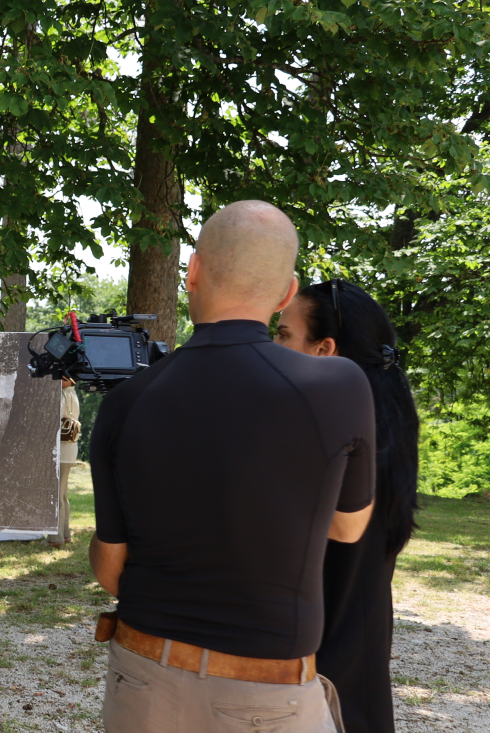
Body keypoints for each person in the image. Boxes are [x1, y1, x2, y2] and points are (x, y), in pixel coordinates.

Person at [89, 200, 376, 732]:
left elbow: (110, 569)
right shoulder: (338, 385)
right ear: (287, 292)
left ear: (193, 271)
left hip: (144, 677)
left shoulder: (127, 400)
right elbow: (349, 525)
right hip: (265, 693)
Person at [275, 280, 420, 733]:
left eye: (283, 334)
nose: (272, 346)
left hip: (321, 665)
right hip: (356, 651)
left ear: (324, 349)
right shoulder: (380, 418)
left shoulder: (332, 431)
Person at [48, 376, 80, 547]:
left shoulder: (62, 395)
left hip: (61, 449)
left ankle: (56, 537)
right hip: (70, 449)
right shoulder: (73, 394)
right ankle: (65, 533)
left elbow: (55, 419)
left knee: (57, 495)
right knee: (63, 494)